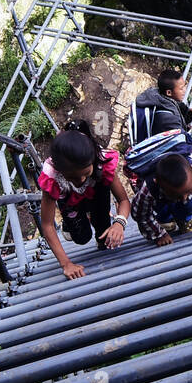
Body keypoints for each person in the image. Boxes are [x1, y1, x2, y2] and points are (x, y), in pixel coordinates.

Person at [37, 119, 133, 280]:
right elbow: (47, 224)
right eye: (72, 177)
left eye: (85, 173)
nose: (80, 180)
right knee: (82, 237)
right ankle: (71, 222)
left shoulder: (101, 161)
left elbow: (123, 200)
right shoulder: (52, 175)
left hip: (96, 192)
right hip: (68, 198)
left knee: (104, 236)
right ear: (60, 171)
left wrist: (119, 223)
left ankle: (95, 215)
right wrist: (66, 264)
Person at [131, 69, 192, 145]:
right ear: (169, 92)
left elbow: (178, 121)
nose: (185, 90)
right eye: (181, 88)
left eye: (184, 86)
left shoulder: (164, 100)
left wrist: (191, 114)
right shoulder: (165, 115)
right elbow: (180, 141)